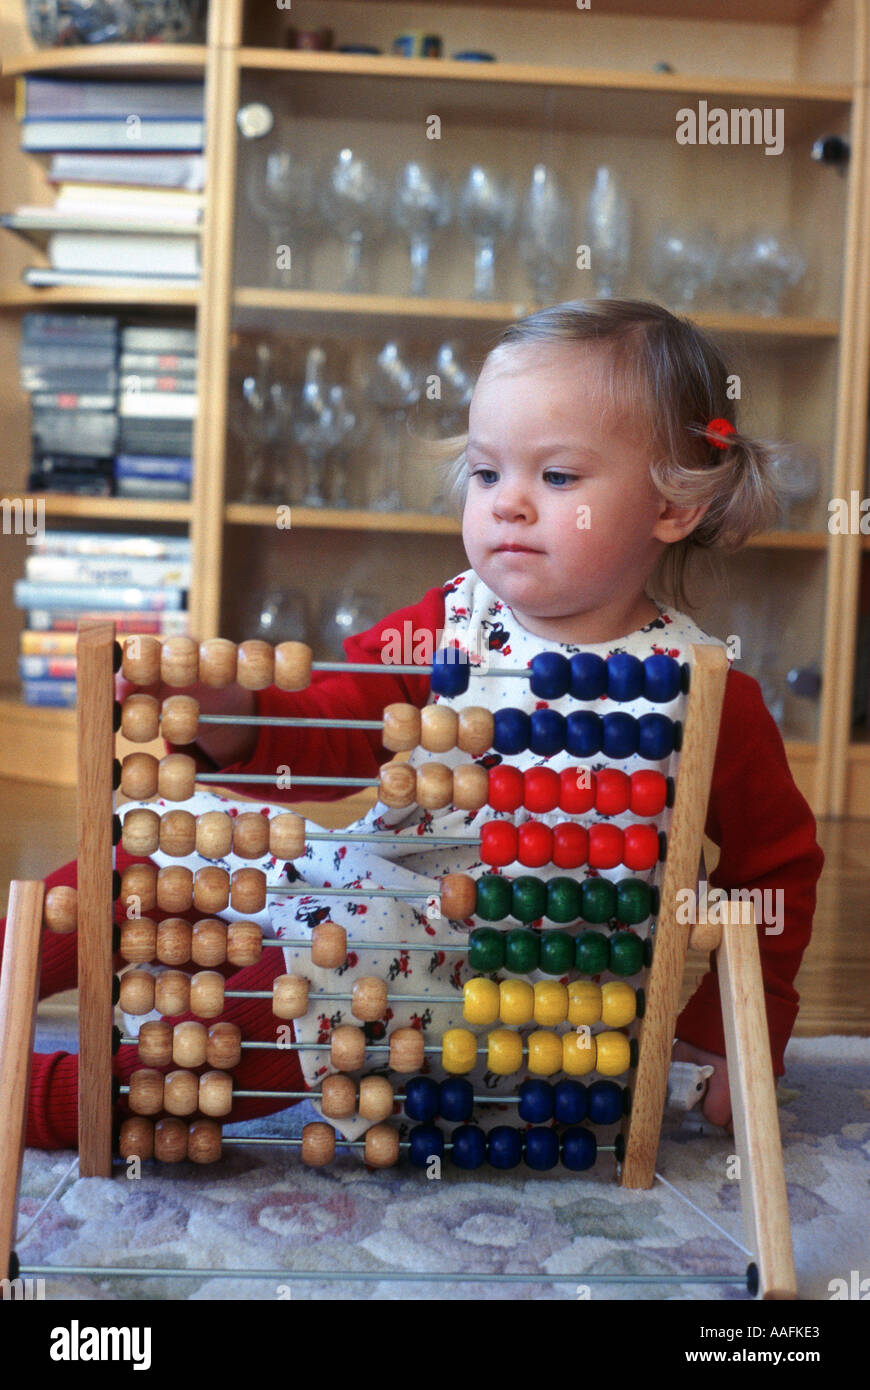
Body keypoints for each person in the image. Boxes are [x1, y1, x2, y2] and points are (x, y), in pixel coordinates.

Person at [9, 298, 824, 1152]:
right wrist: (233, 721)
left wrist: (729, 1028)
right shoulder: (448, 624)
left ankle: (65, 1100)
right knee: (172, 842)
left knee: (321, 968)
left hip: (498, 1002)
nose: (507, 504)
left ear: (674, 506)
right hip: (373, 889)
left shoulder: (701, 692)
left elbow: (777, 871)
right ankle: (11, 975)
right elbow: (333, 728)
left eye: (556, 478)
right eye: (485, 473)